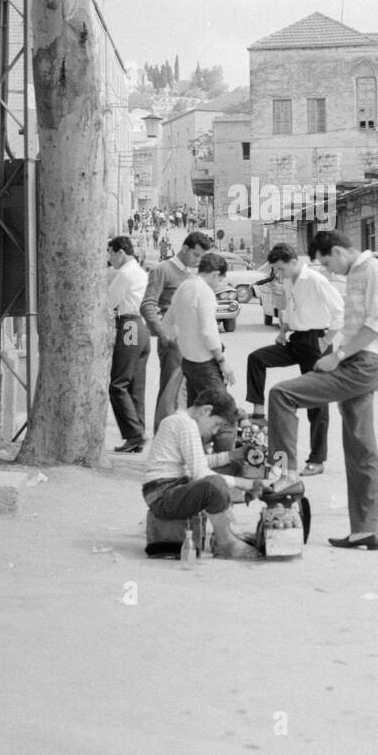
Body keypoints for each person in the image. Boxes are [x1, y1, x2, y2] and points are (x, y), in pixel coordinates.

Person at [267, 230, 378, 551]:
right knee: (360, 446)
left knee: (282, 394)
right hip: (355, 362)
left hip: (361, 364)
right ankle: (365, 529)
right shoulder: (358, 272)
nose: (330, 270)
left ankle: (286, 472)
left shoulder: (373, 270)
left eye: (327, 262)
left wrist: (335, 356)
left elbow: (377, 324)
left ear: (338, 251)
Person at [244, 245, 344, 476]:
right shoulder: (290, 279)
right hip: (297, 339)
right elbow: (290, 309)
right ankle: (258, 411)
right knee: (257, 359)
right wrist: (283, 331)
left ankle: (317, 460)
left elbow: (339, 312)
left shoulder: (316, 280)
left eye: (280, 268)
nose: (278, 273)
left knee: (316, 404)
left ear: (291, 261)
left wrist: (326, 340)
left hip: (317, 341)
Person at [141, 389, 256, 559]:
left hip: (169, 489)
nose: (216, 431)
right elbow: (201, 473)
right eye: (217, 424)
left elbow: (200, 461)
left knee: (222, 479)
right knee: (214, 485)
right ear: (206, 411)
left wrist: (232, 456)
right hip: (162, 494)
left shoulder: (181, 421)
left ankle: (227, 533)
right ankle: (225, 543)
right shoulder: (185, 423)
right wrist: (243, 483)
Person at [140, 231, 213, 431]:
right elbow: (147, 305)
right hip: (173, 343)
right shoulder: (163, 269)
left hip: (193, 344)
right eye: (196, 255)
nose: (198, 260)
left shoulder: (193, 273)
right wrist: (164, 335)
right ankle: (162, 437)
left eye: (201, 257)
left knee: (188, 393)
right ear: (185, 248)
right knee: (170, 393)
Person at [167, 251, 235, 403]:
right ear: (215, 274)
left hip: (187, 361)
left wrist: (184, 340)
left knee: (197, 409)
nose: (219, 284)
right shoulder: (205, 292)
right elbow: (208, 333)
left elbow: (168, 322)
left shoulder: (184, 286)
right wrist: (223, 362)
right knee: (222, 408)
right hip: (204, 362)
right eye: (220, 280)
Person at [106, 235, 150, 453]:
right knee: (136, 386)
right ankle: (138, 431)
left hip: (128, 326)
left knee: (117, 384)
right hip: (140, 328)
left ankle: (133, 434)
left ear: (120, 252)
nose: (110, 259)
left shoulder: (124, 273)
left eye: (111, 254)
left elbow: (109, 302)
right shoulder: (140, 271)